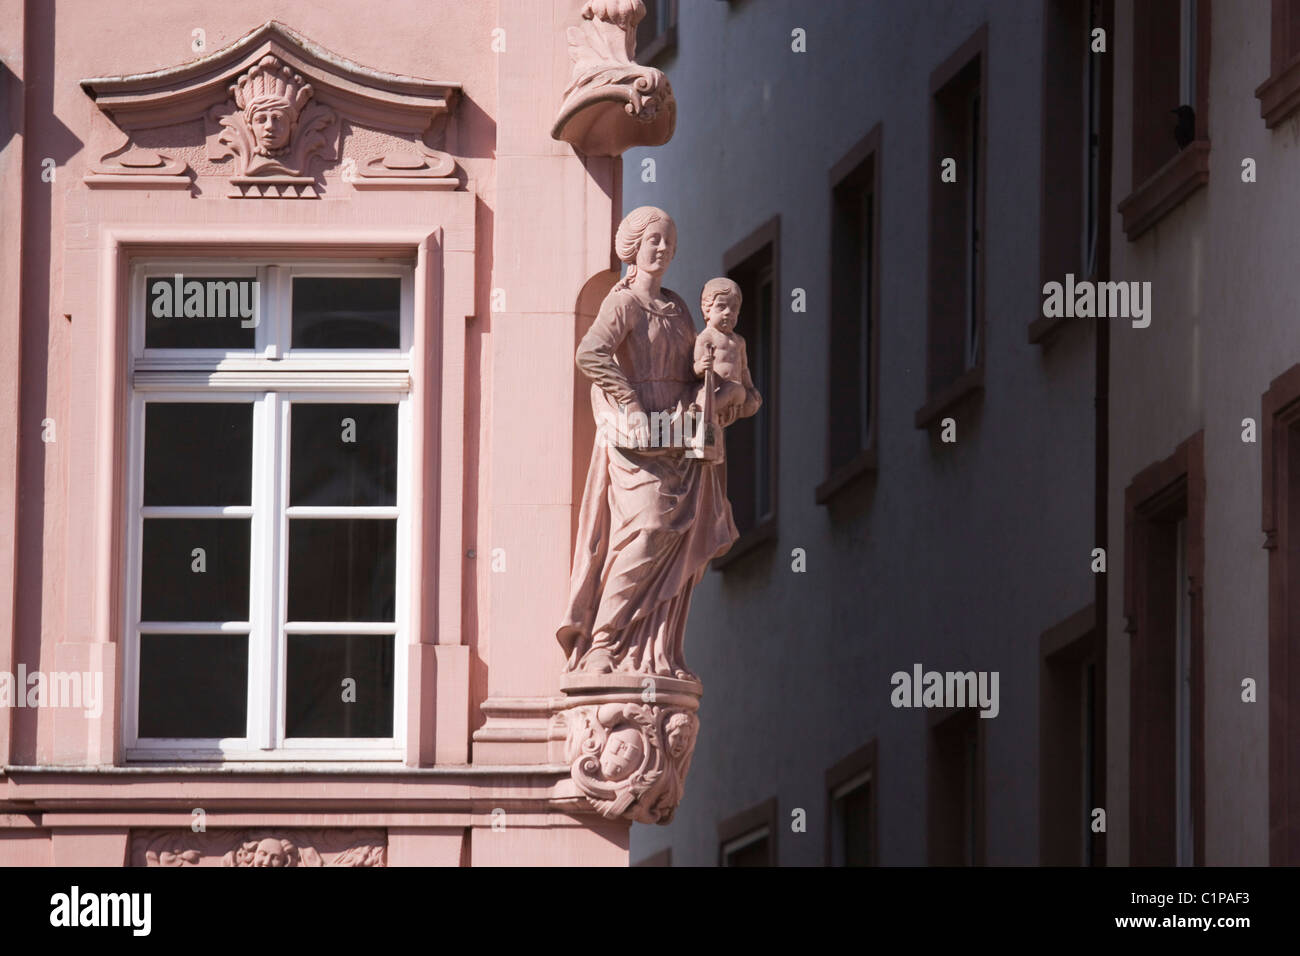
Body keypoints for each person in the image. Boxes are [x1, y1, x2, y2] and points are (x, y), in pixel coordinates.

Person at [557, 206, 750, 680]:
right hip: (640, 441)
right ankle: (603, 641)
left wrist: (718, 386)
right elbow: (591, 352)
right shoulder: (622, 303)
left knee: (676, 542)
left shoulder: (680, 305)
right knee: (645, 531)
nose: (663, 248)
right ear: (634, 246)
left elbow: (690, 368)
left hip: (680, 440)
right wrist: (629, 402)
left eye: (669, 240)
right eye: (654, 240)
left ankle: (652, 654)